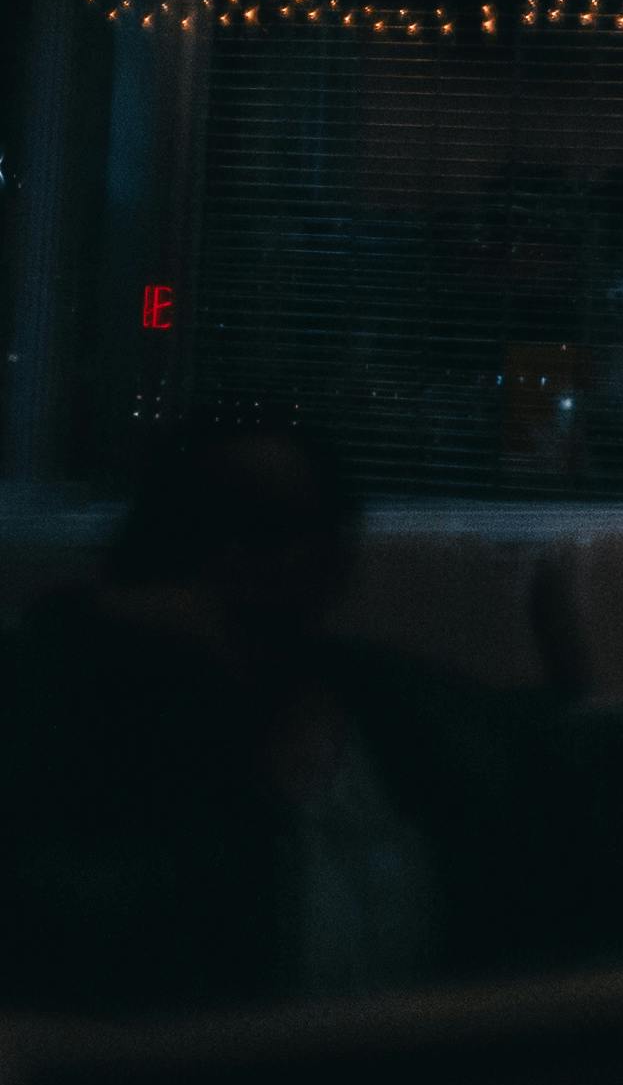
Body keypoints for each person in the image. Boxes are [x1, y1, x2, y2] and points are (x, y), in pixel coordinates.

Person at [0, 428, 534, 1013]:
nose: (238, 561)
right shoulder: (79, 727)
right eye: (208, 530)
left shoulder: (413, 714)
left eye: (272, 529)